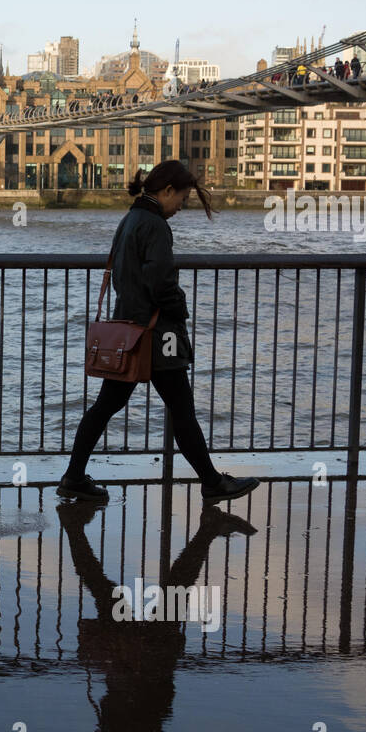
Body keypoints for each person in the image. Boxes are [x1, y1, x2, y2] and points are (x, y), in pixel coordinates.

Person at [58, 161, 259, 505]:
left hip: (129, 330)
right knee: (181, 410)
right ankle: (212, 483)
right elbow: (161, 283)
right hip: (156, 333)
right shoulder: (154, 225)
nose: (181, 206)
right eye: (181, 198)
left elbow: (124, 278)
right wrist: (179, 306)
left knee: (106, 405)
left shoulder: (130, 220)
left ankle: (74, 476)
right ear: (166, 191)